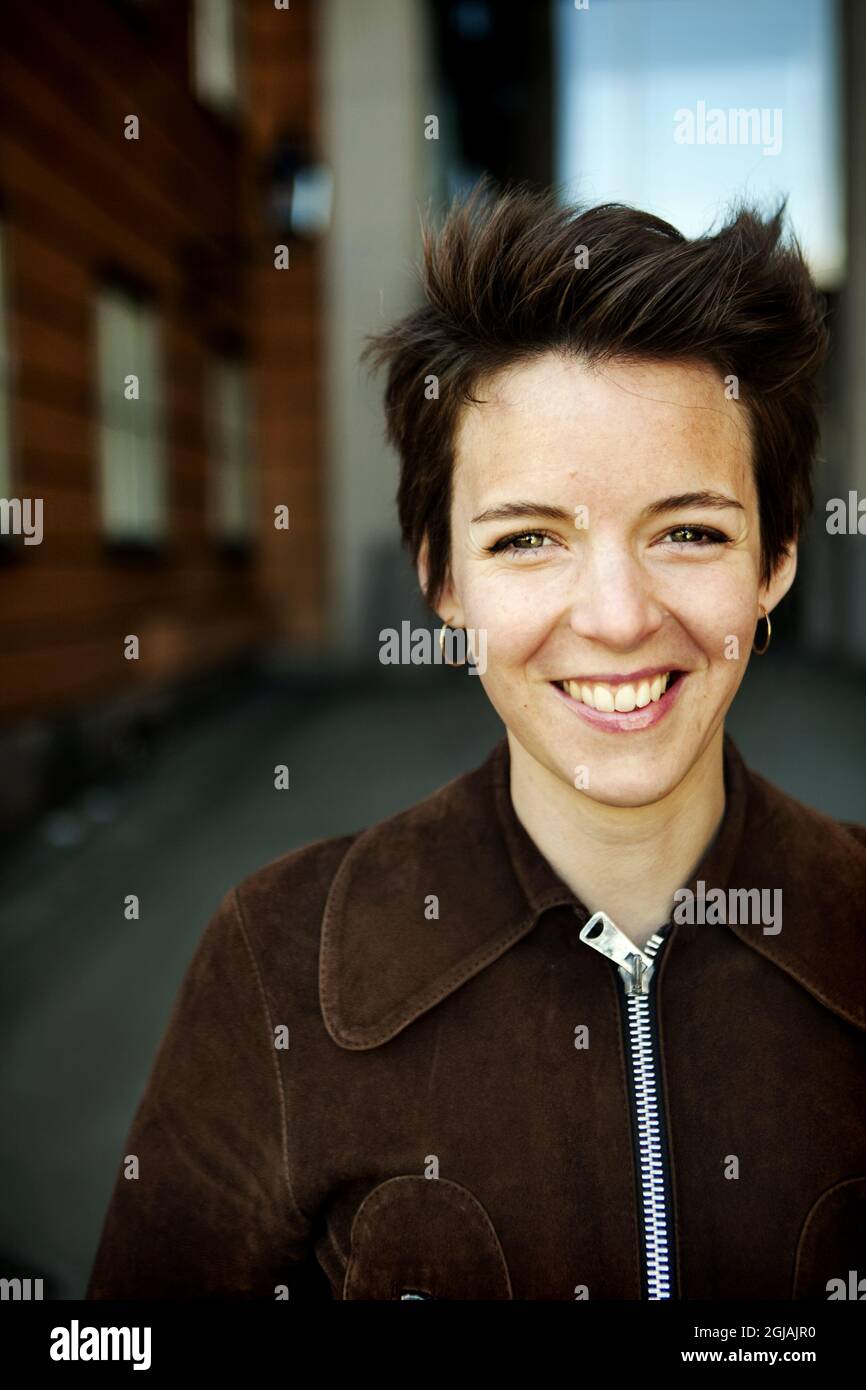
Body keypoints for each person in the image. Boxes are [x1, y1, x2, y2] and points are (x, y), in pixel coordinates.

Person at [87, 179, 866, 1301]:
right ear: (442, 580)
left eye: (689, 530)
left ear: (775, 560)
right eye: (527, 540)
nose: (612, 615)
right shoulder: (278, 958)